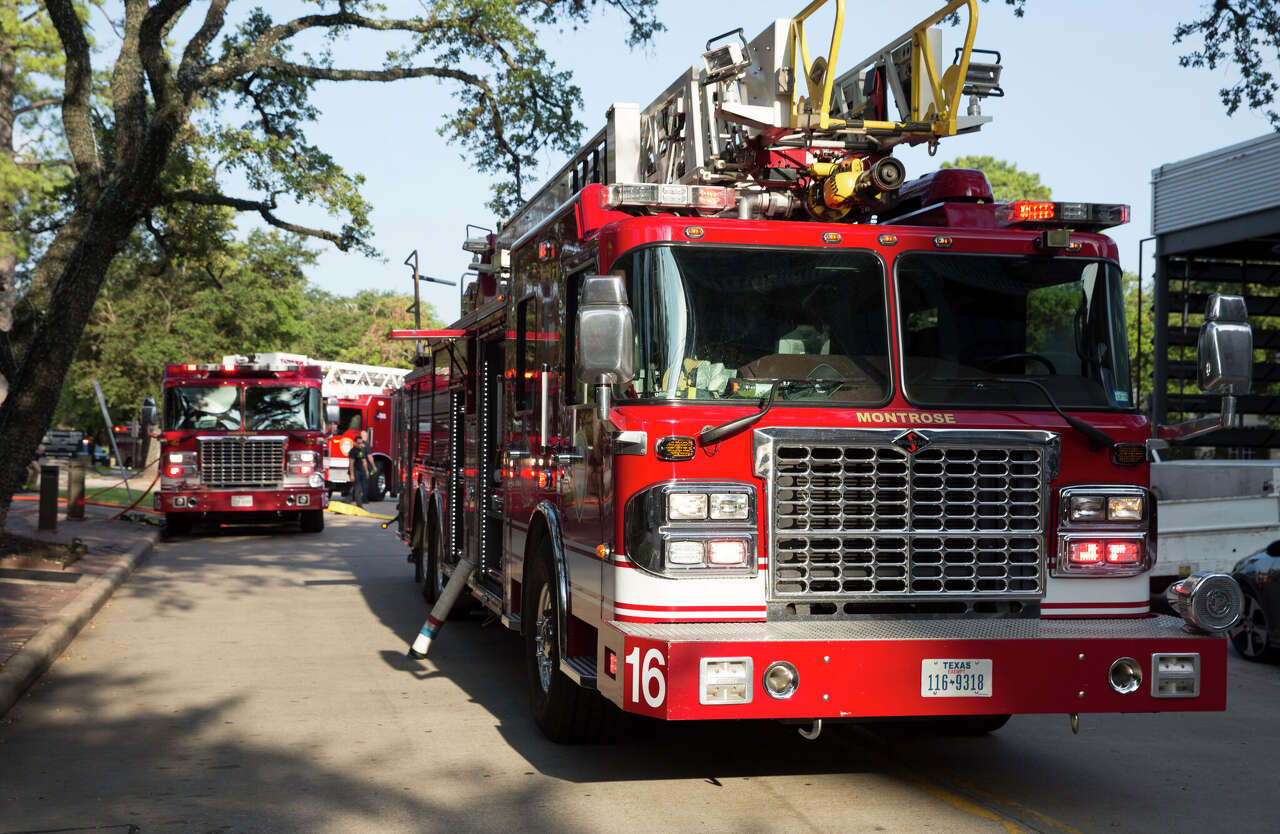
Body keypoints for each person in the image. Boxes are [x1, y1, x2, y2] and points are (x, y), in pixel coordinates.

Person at [348, 435, 373, 507]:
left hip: (360, 471)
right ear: (354, 443)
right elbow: (351, 464)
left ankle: (347, 501)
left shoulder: (360, 450)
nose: (360, 445)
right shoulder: (353, 451)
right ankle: (359, 505)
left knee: (355, 488)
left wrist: (366, 471)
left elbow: (364, 461)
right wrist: (352, 474)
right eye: (358, 443)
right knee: (358, 488)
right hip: (354, 471)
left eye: (361, 443)